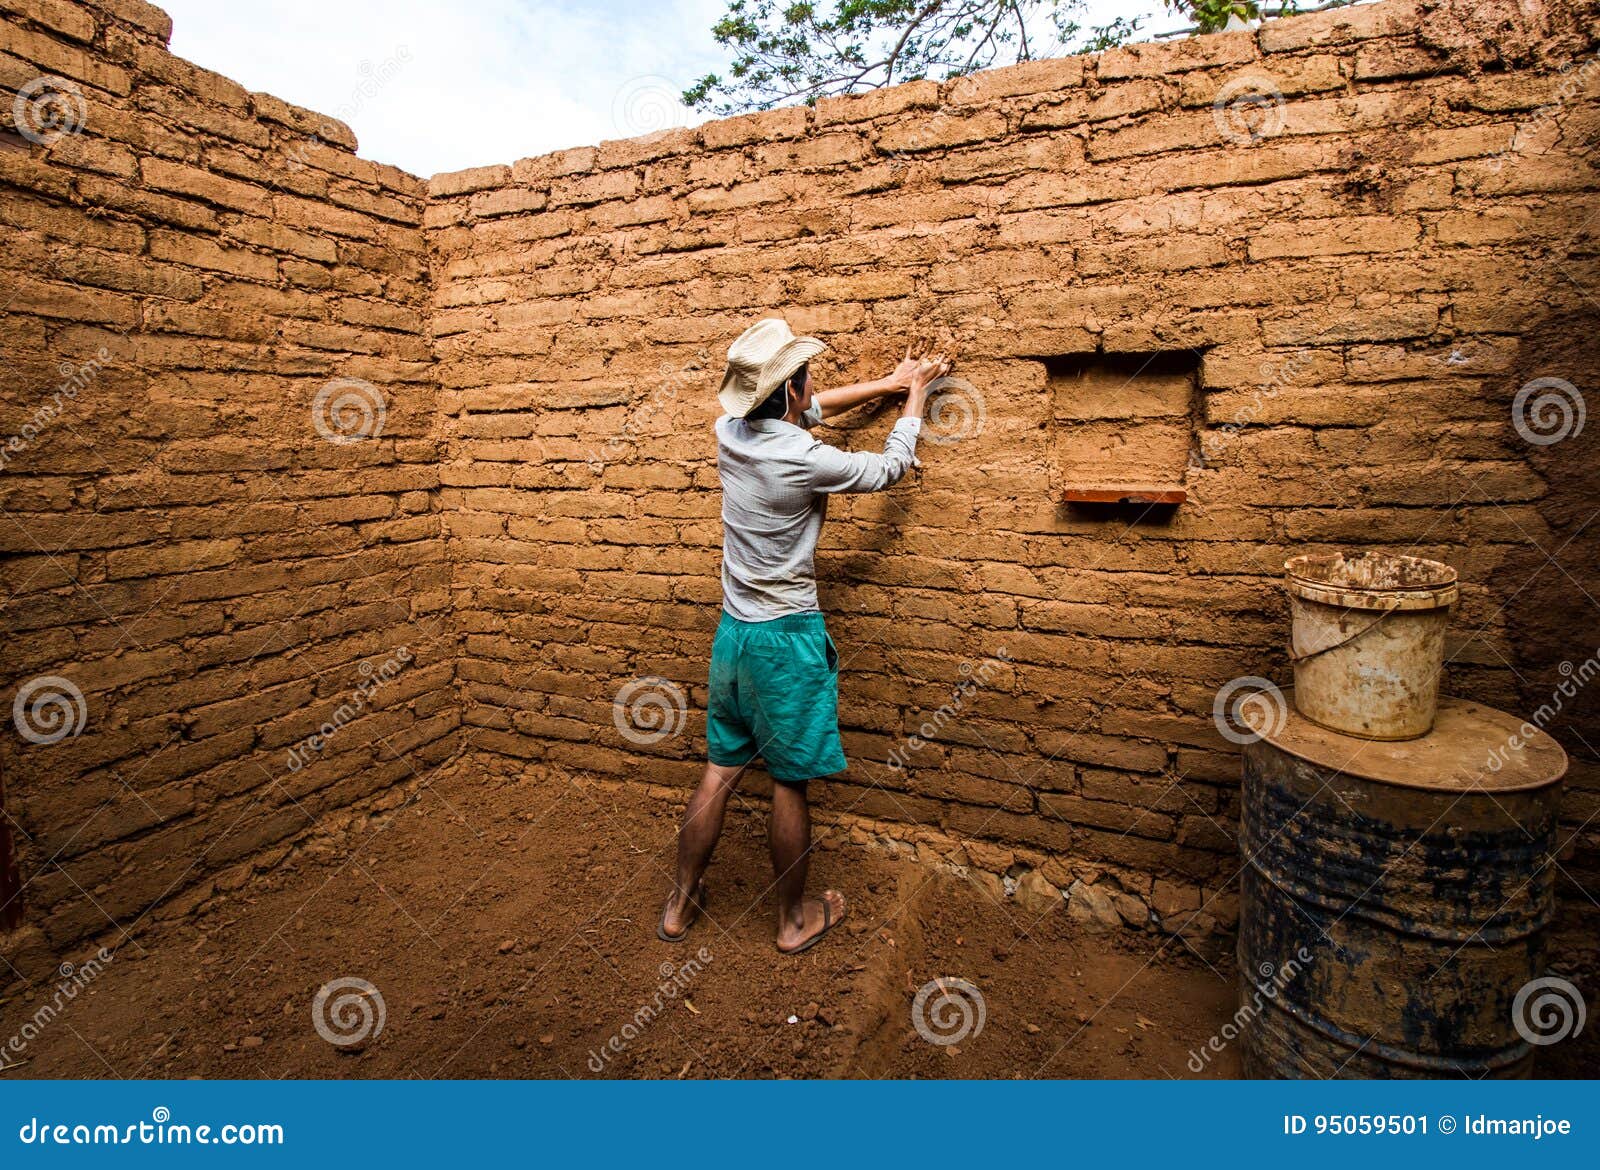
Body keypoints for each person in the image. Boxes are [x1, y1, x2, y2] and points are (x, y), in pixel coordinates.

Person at [658, 318, 951, 953]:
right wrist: (916, 395)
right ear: (790, 389)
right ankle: (793, 922)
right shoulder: (803, 458)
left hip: (734, 637)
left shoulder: (729, 431)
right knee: (789, 781)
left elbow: (808, 411)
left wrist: (886, 383)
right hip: (785, 643)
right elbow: (890, 467)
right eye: (806, 378)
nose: (813, 386)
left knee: (719, 771)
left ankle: (680, 905)